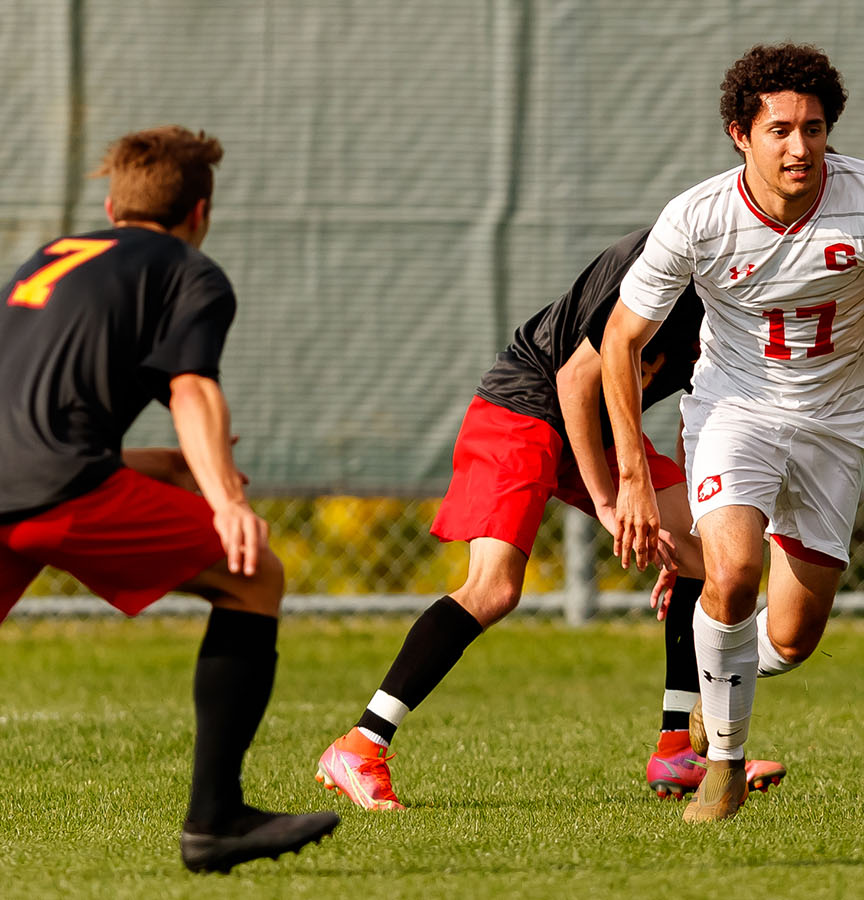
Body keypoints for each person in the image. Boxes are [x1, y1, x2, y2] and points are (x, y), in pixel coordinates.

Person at [602, 42, 864, 823]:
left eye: (814, 129)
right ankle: (723, 767)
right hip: (735, 409)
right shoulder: (698, 218)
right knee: (732, 575)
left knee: (794, 638)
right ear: (740, 135)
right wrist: (632, 480)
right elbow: (620, 342)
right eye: (780, 130)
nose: (801, 147)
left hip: (838, 424)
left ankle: (718, 682)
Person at [314, 228, 785, 810]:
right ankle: (360, 745)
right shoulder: (673, 255)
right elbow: (574, 379)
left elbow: (701, 411)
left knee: (704, 553)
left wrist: (687, 527)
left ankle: (676, 750)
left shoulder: (750, 290)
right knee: (493, 589)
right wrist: (611, 504)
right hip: (526, 405)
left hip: (600, 425)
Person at [0, 126, 340, 872]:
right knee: (252, 574)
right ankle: (216, 820)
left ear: (111, 206)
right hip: (57, 492)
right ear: (201, 211)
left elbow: (24, 422)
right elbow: (191, 389)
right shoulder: (189, 271)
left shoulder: (46, 262)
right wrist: (226, 501)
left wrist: (158, 465)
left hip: (19, 486)